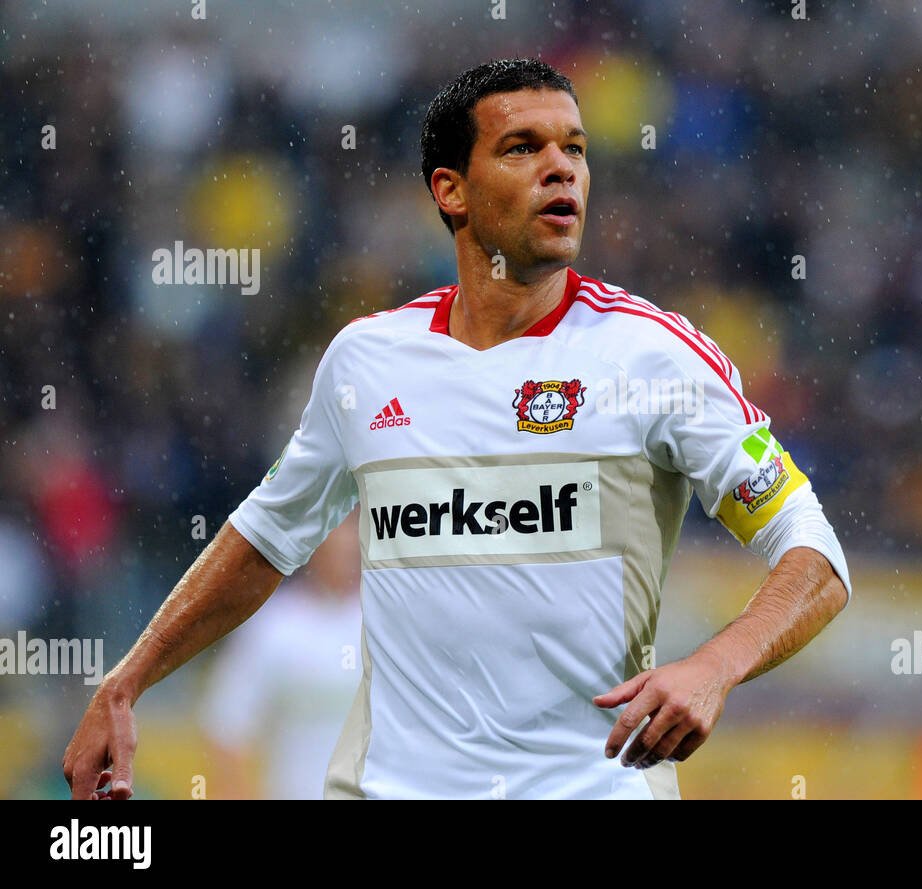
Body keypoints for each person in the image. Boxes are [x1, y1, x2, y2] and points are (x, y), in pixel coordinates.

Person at [63, 58, 852, 800]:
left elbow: (815, 551)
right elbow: (266, 539)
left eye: (574, 147)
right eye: (522, 147)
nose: (562, 167)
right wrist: (126, 679)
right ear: (452, 191)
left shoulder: (653, 356)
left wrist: (716, 664)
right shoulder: (365, 362)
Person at [199, 509, 362, 799]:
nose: (346, 546)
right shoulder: (272, 626)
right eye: (335, 533)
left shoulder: (388, 622)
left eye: (352, 531)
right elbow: (228, 729)